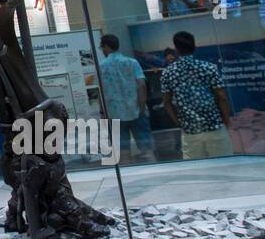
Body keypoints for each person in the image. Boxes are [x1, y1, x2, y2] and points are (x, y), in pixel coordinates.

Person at [160, 31, 233, 160]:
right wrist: (226, 120)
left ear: (176, 49)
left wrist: (179, 123)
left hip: (190, 130)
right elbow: (222, 97)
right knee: (224, 165)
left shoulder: (168, 73)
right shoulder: (209, 67)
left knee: (197, 170)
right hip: (214, 125)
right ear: (194, 47)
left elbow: (167, 103)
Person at [87, 33, 152, 161]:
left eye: (102, 48)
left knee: (123, 152)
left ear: (106, 46)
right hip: (136, 110)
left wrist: (102, 111)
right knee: (147, 150)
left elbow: (99, 91)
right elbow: (141, 85)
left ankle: (126, 179)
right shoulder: (132, 62)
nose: (102, 50)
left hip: (114, 113)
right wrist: (142, 106)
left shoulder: (101, 66)